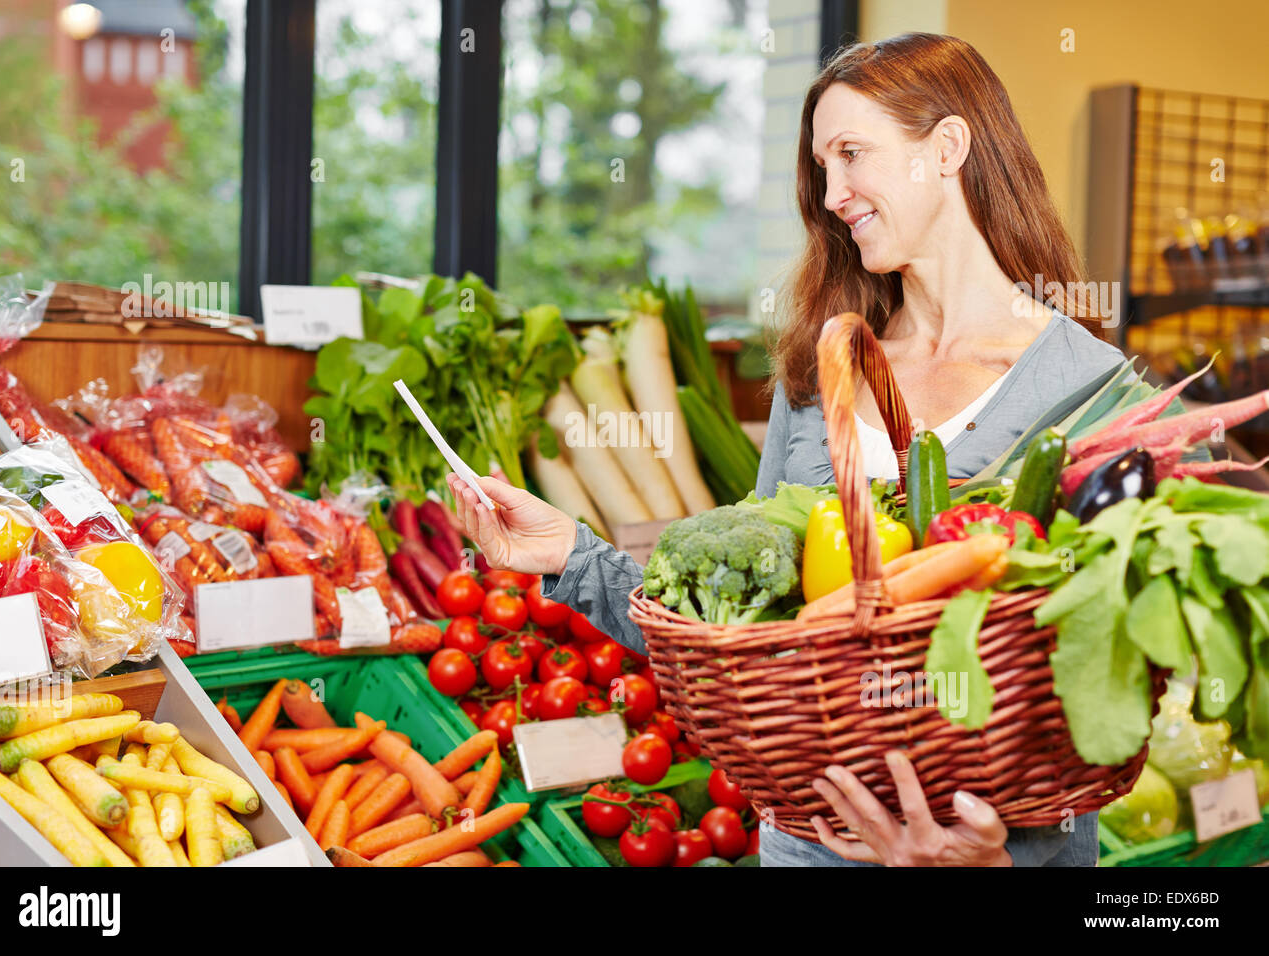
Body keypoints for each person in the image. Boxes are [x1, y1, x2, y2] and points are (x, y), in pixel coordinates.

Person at [445, 32, 1123, 866]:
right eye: (821, 167)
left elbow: (1114, 671)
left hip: (1002, 848)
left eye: (852, 154)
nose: (834, 194)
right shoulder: (822, 373)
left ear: (947, 147)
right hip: (812, 842)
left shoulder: (1094, 391)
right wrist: (570, 554)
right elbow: (745, 630)